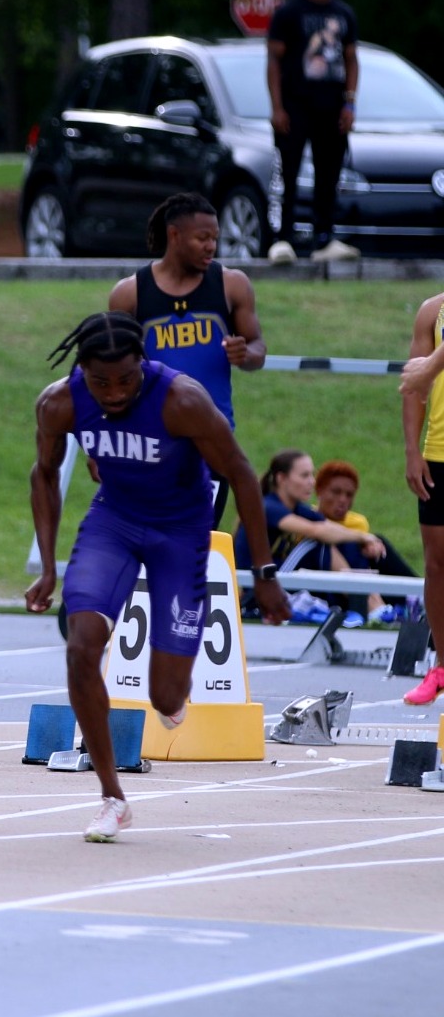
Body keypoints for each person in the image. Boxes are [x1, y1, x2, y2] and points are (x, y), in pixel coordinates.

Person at [25, 312, 288, 843]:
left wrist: (263, 572)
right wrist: (48, 565)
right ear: (82, 373)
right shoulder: (60, 402)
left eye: (126, 380)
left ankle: (175, 678)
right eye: (101, 383)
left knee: (165, 696)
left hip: (179, 531)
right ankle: (112, 797)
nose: (115, 393)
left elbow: (239, 472)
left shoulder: (182, 400)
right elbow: (44, 474)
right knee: (81, 648)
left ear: (142, 365)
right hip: (114, 523)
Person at [108, 192, 266, 525]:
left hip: (211, 442)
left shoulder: (232, 285)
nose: (211, 246)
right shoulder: (130, 294)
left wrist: (245, 354)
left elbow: (257, 349)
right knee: (147, 542)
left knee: (197, 544)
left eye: (215, 239)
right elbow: (110, 372)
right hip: (151, 443)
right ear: (175, 236)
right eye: (202, 238)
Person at [233, 450, 383, 624]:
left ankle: (376, 606)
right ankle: (369, 606)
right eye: (304, 476)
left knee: (347, 544)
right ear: (281, 478)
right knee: (316, 542)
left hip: (278, 580)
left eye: (312, 475)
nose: (312, 482)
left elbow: (327, 526)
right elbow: (317, 531)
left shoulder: (297, 508)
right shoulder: (268, 506)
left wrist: (367, 539)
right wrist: (363, 537)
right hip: (260, 587)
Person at [266, 0, 360, 264]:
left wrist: (350, 104)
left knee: (329, 175)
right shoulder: (289, 13)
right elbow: (273, 60)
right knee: (288, 172)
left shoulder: (344, 13)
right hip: (295, 106)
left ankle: (324, 238)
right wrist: (277, 107)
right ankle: (283, 239)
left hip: (331, 107)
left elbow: (352, 59)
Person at [401, 291, 444, 705]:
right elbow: (414, 384)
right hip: (440, 451)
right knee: (436, 561)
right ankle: (441, 667)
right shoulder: (433, 310)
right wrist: (413, 451)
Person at [313, 459, 417, 623]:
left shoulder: (357, 522)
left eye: (349, 495)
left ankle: (418, 595)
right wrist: (361, 538)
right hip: (326, 586)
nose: (343, 500)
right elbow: (323, 533)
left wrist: (372, 547)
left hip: (359, 578)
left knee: (379, 547)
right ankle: (387, 606)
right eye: (336, 492)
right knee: (334, 545)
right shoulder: (309, 519)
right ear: (319, 491)